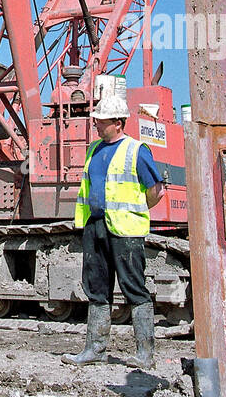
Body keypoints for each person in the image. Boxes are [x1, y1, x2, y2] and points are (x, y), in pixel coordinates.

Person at [62, 87, 164, 368]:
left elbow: (156, 190)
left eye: (100, 120)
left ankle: (144, 354)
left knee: (134, 288)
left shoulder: (136, 150)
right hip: (95, 227)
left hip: (126, 231)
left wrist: (135, 211)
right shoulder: (94, 150)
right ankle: (94, 349)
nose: (95, 123)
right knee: (96, 288)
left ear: (117, 122)